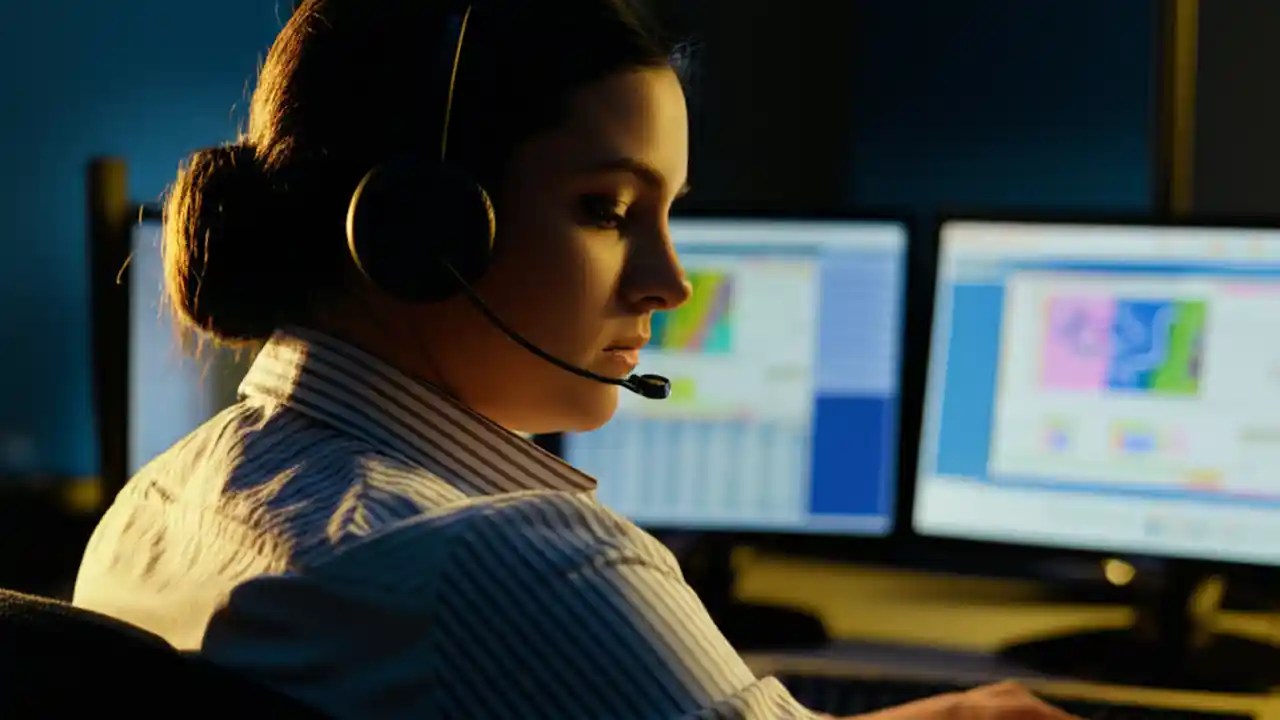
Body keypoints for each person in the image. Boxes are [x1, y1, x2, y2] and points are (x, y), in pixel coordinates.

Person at [73, 1, 1081, 718]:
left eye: (666, 214)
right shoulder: (531, 568)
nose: (669, 283)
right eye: (607, 209)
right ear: (417, 228)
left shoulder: (151, 511)